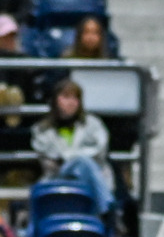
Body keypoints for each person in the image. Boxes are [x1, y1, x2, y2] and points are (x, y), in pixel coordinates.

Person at [33, 80, 118, 219]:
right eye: (66, 97)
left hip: (89, 177)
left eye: (75, 98)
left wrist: (71, 158)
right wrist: (75, 158)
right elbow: (49, 159)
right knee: (81, 160)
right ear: (55, 100)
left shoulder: (93, 124)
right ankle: (107, 208)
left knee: (84, 163)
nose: (71, 102)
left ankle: (102, 212)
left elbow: (100, 151)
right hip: (58, 176)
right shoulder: (42, 129)